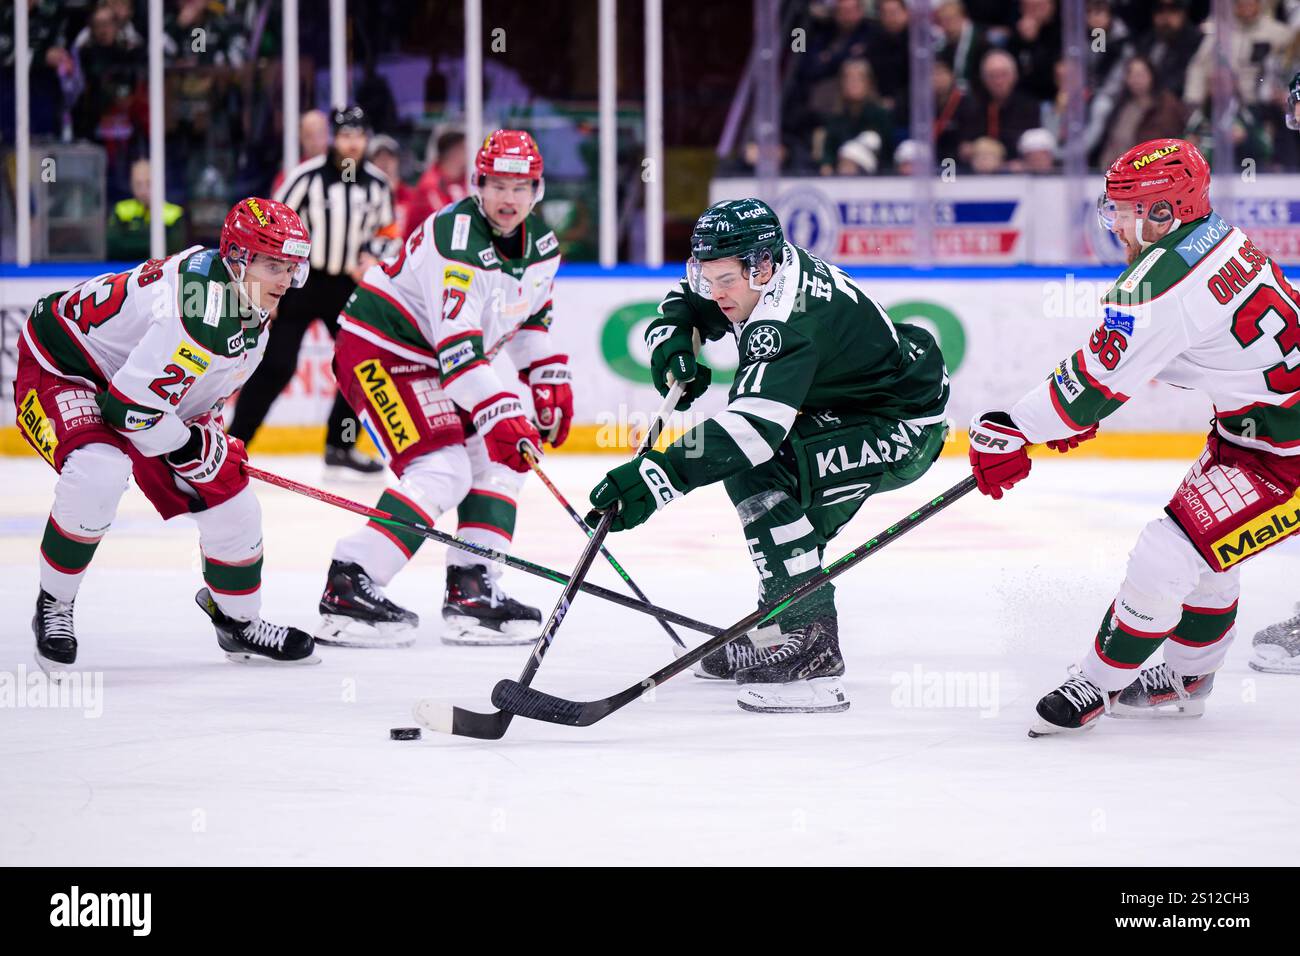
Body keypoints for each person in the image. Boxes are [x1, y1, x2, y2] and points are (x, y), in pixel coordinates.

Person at [966, 139, 1300, 735]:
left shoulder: (1158, 282)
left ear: (1167, 211)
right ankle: (1187, 680)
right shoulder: (1217, 235)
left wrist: (1014, 429)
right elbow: (1193, 351)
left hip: (1286, 455)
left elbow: (1091, 383)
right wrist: (1075, 414)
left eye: (1128, 209)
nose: (1115, 222)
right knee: (1207, 555)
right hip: (1255, 438)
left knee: (1167, 551)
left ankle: (1097, 684)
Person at [585, 199, 951, 714]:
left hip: (899, 428)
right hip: (849, 407)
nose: (716, 292)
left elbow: (752, 430)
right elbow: (688, 303)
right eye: (706, 276)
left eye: (726, 281)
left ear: (762, 267)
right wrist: (673, 342)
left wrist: (655, 476)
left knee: (762, 468)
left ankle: (809, 642)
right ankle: (784, 625)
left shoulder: (785, 321)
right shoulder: (757, 272)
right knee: (786, 511)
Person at [14, 198, 320, 672]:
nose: (285, 279)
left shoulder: (246, 302)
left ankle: (238, 622)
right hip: (66, 365)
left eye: (290, 267)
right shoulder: (200, 313)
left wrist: (204, 443)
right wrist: (187, 443)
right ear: (238, 258)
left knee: (232, 499)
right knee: (100, 471)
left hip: (136, 386)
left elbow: (185, 397)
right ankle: (54, 604)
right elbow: (126, 410)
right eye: (273, 265)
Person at [316, 129, 573, 647]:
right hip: (382, 350)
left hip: (438, 360)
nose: (508, 198)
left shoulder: (542, 246)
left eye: (521, 187)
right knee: (442, 467)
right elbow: (459, 351)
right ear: (477, 184)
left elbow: (526, 323)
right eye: (497, 185)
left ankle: (473, 587)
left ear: (538, 190)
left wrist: (549, 378)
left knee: (503, 459)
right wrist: (502, 412)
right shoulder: (456, 239)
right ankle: (350, 580)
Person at [228, 105, 400, 475]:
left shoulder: (377, 184)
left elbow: (387, 232)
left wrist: (373, 256)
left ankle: (340, 445)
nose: (352, 144)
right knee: (276, 365)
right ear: (333, 139)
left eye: (358, 136)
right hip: (299, 281)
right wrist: (263, 283)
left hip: (346, 284)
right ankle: (235, 444)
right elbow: (270, 225)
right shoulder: (305, 177)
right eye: (345, 136)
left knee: (362, 363)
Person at [107, 158, 186, 260]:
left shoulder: (174, 214)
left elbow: (174, 251)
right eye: (138, 184)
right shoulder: (121, 210)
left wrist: (131, 240)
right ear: (131, 184)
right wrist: (152, 242)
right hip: (127, 270)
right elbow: (113, 248)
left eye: (149, 183)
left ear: (160, 182)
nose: (143, 190)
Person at [369, 133, 434, 239]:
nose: (384, 162)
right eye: (378, 157)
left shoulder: (413, 196)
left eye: (389, 156)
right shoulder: (365, 197)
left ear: (397, 161)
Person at [418, 129, 469, 213]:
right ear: (452, 152)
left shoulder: (466, 179)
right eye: (463, 148)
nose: (469, 152)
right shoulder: (430, 184)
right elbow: (444, 218)